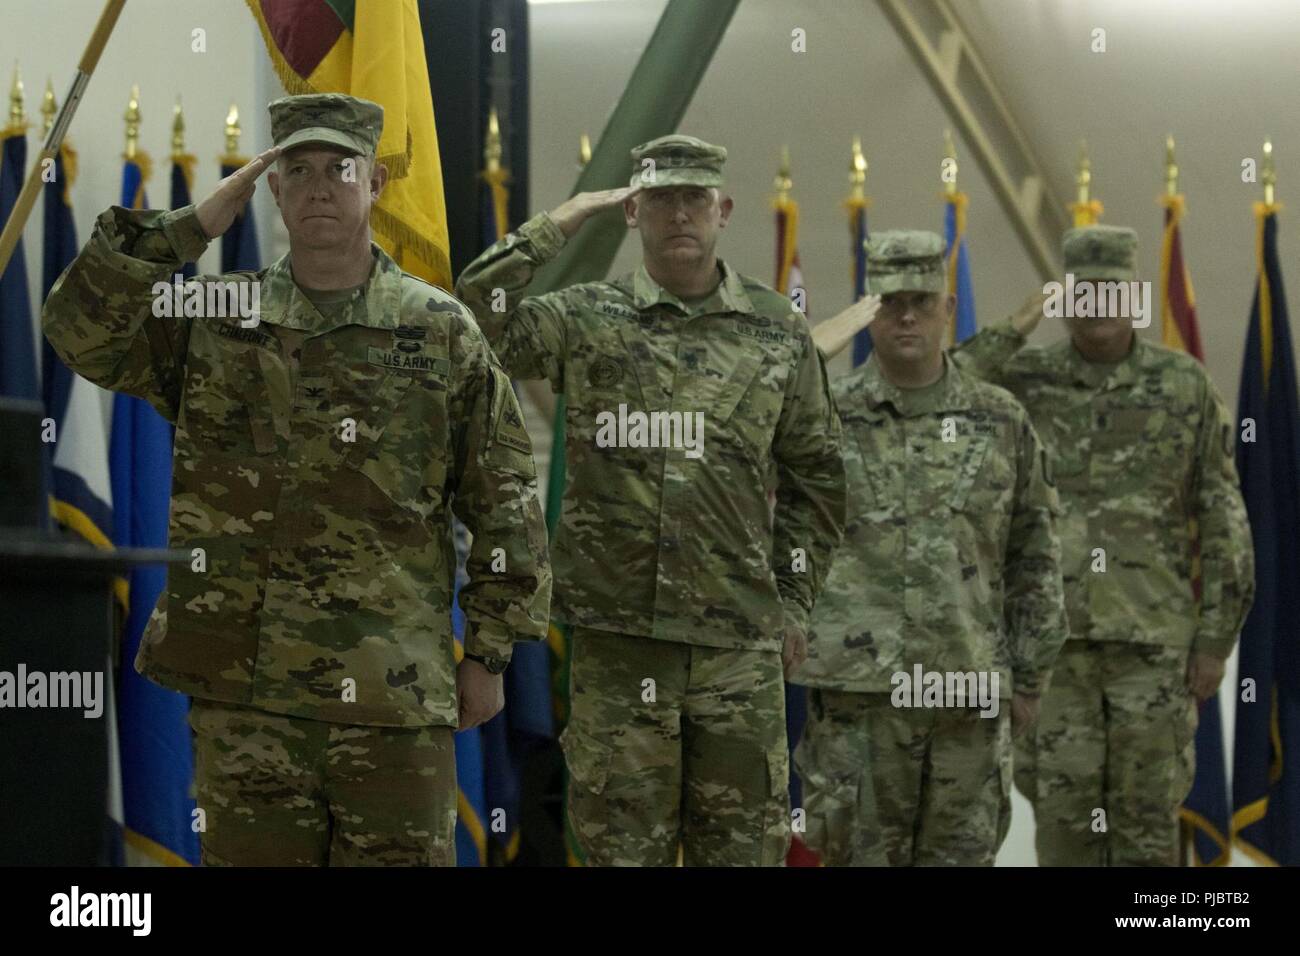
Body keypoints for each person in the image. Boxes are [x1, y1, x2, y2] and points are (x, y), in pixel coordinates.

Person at [43, 93, 552, 866]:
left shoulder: (440, 329)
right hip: (246, 699)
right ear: (271, 188)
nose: (320, 186)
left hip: (393, 696)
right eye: (299, 169)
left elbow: (506, 497)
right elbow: (75, 328)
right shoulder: (218, 316)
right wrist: (190, 228)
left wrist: (486, 654)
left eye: (340, 168)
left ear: (374, 182)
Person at [455, 134, 846, 865]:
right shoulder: (585, 317)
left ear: (723, 209)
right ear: (633, 211)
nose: (679, 215)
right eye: (660, 198)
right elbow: (475, 319)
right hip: (616, 644)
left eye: (694, 198)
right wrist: (560, 221)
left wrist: (795, 598)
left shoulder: (776, 331)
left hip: (738, 648)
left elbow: (817, 478)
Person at [952, 224, 1255, 865]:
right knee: (1066, 825)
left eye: (1112, 294)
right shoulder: (1025, 379)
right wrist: (1023, 318)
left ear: (1135, 297)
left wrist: (1216, 639)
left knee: (1147, 824)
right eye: (1083, 294)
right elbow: (946, 391)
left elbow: (1223, 514)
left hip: (1154, 644)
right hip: (1052, 650)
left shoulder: (1183, 386)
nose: (1099, 308)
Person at [794, 230, 1067, 866]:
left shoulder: (1001, 418)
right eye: (892, 301)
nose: (908, 315)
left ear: (949, 309)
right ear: (870, 310)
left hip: (965, 694)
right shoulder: (823, 416)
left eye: (923, 299)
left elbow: (1036, 554)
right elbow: (766, 522)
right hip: (857, 700)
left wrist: (1030, 675)